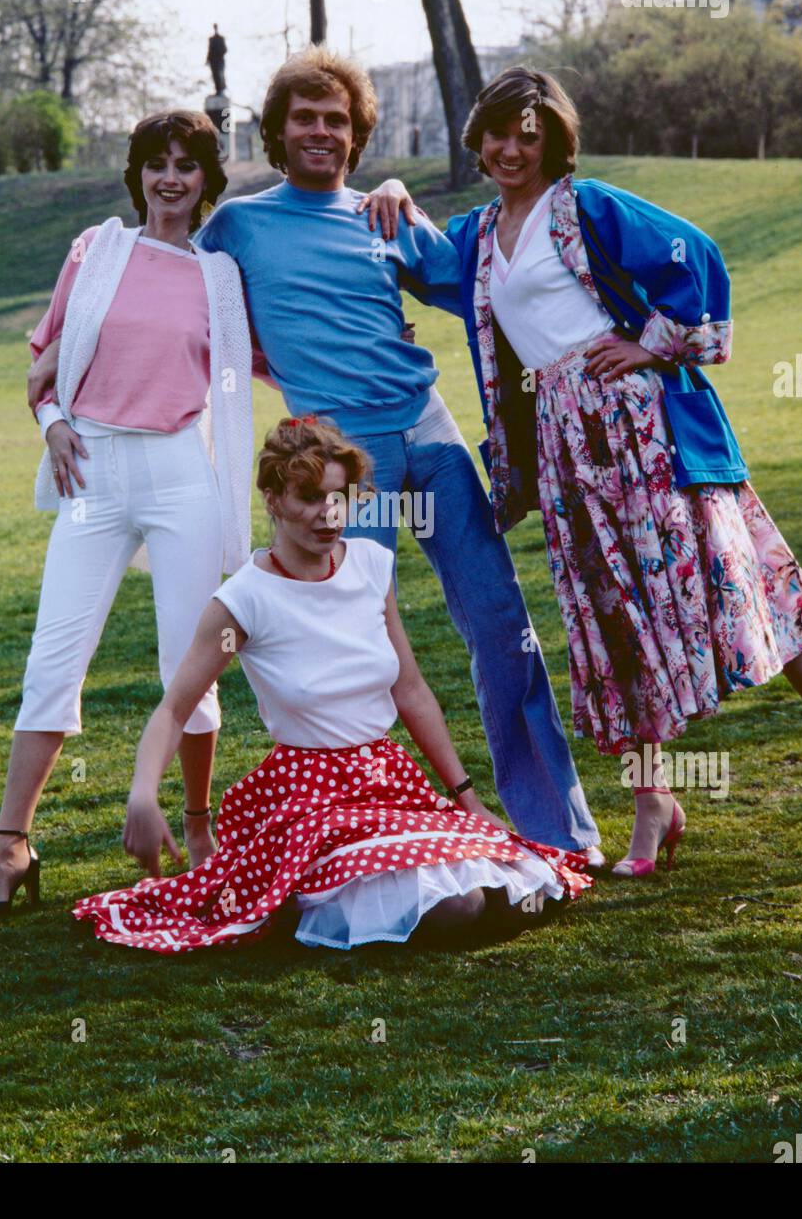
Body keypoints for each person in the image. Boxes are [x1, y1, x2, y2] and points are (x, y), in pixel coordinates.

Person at [424, 66, 802, 877]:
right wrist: (391, 189)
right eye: (495, 135)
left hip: (646, 429)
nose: (509, 150)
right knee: (612, 621)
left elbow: (695, 257)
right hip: (570, 452)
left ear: (551, 140)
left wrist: (652, 341)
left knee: (735, 582)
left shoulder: (585, 208)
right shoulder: (474, 239)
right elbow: (411, 261)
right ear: (478, 139)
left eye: (525, 136)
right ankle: (652, 803)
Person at [187, 46, 604, 863]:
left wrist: (406, 200)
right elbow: (175, 292)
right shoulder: (239, 224)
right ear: (276, 132)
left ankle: (556, 829)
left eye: (336, 120)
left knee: (499, 626)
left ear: (357, 134)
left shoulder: (382, 214)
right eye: (304, 118)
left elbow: (479, 281)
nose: (321, 132)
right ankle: (379, 830)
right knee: (352, 642)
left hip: (430, 433)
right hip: (346, 458)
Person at [72, 418, 595, 954]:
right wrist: (142, 794)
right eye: (309, 497)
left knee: (521, 890)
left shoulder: (370, 565)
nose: (330, 514)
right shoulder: (244, 601)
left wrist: (466, 797)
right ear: (273, 498)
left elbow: (410, 688)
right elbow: (175, 708)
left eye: (341, 497)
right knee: (459, 908)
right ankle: (321, 896)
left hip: (391, 781)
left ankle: (388, 897)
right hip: (307, 797)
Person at [0, 110, 254, 924]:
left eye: (187, 166)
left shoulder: (219, 278)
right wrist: (52, 424)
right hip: (91, 467)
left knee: (187, 666)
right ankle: (10, 843)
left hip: (177, 474)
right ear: (137, 174)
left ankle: (198, 828)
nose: (171, 179)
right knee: (51, 662)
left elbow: (258, 360)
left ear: (205, 180)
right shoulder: (97, 252)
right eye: (157, 164)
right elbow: (43, 363)